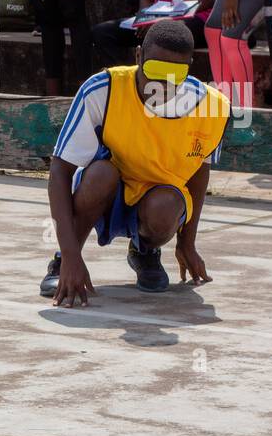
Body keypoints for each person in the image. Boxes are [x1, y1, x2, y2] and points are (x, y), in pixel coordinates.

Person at [40, 20, 230, 305]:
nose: (164, 82)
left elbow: (200, 171)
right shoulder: (102, 89)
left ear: (189, 68)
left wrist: (187, 242)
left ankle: (145, 251)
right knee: (101, 174)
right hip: (108, 191)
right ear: (138, 56)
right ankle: (65, 260)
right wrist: (69, 254)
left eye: (176, 73)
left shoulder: (213, 106)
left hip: (157, 198)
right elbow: (60, 170)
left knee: (166, 206)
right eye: (155, 70)